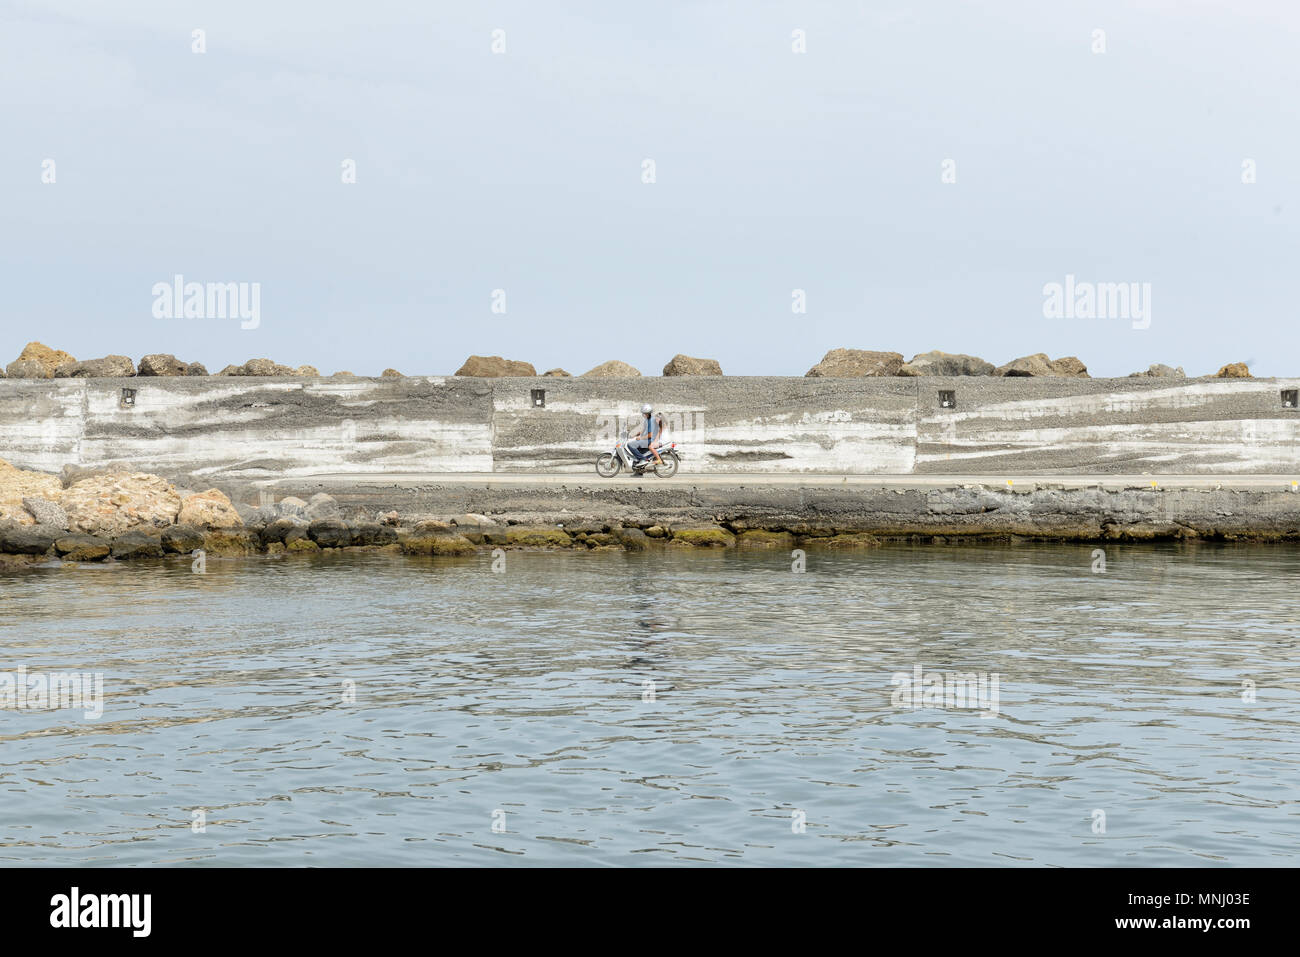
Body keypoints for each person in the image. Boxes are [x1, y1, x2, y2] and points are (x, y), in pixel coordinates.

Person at [627, 403, 662, 470]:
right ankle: (639, 470)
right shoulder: (647, 420)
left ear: (647, 413)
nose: (643, 415)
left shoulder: (651, 421)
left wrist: (641, 438)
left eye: (644, 413)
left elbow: (650, 435)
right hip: (646, 440)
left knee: (630, 445)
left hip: (650, 441)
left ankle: (644, 460)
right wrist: (634, 435)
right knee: (635, 452)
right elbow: (643, 431)